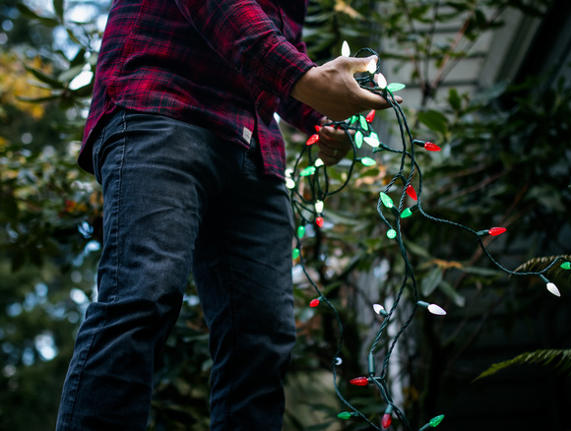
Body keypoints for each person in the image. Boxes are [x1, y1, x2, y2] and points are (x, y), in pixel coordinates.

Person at [55, 1, 395, 429]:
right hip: (160, 107)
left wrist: (321, 116)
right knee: (143, 295)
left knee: (261, 338)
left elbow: (278, 42)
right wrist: (307, 80)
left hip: (254, 147)